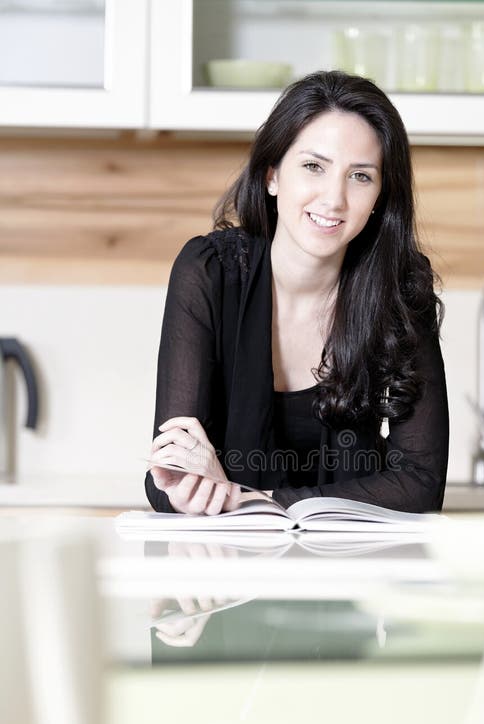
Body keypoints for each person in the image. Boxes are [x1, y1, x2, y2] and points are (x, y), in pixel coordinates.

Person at [146, 70, 449, 516]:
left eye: (360, 176)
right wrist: (185, 486)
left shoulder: (398, 291)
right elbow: (167, 474)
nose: (334, 199)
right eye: (313, 166)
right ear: (272, 175)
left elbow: (421, 483)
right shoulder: (209, 273)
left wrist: (253, 502)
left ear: (381, 196)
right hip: (228, 567)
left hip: (353, 562)